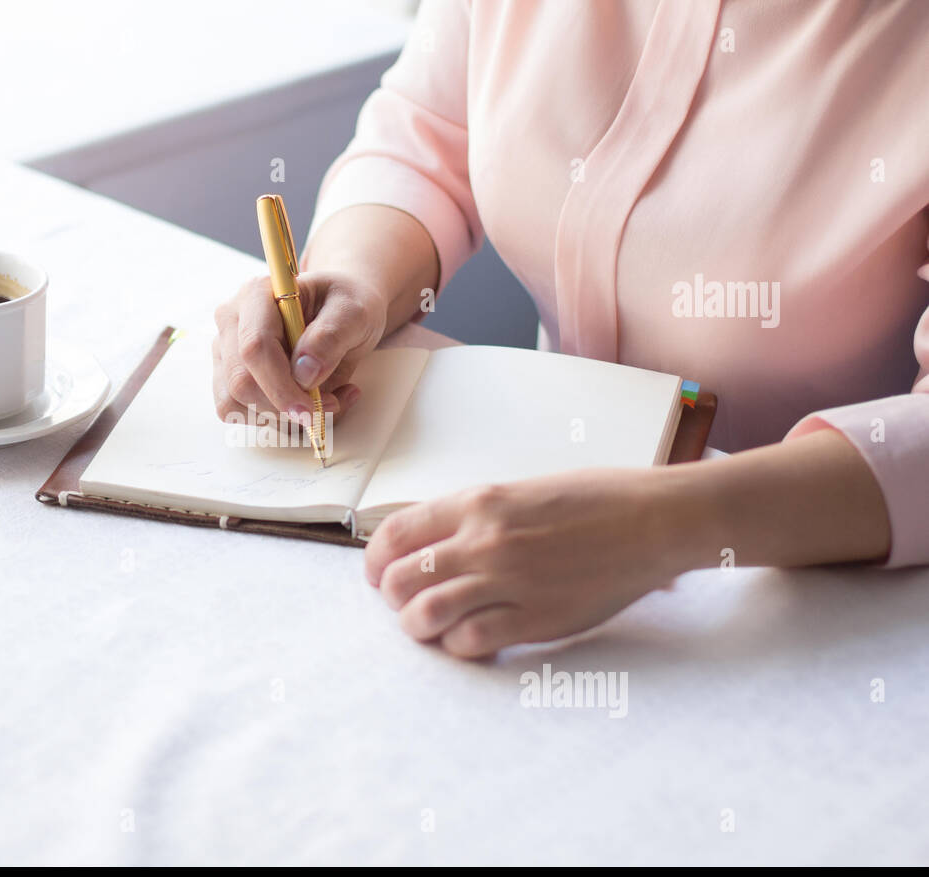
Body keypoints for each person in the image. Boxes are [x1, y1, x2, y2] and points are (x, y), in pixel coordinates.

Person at [211, 0, 929, 659]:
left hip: (813, 598)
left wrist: (664, 528)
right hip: (527, 532)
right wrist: (353, 280)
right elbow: (423, 137)